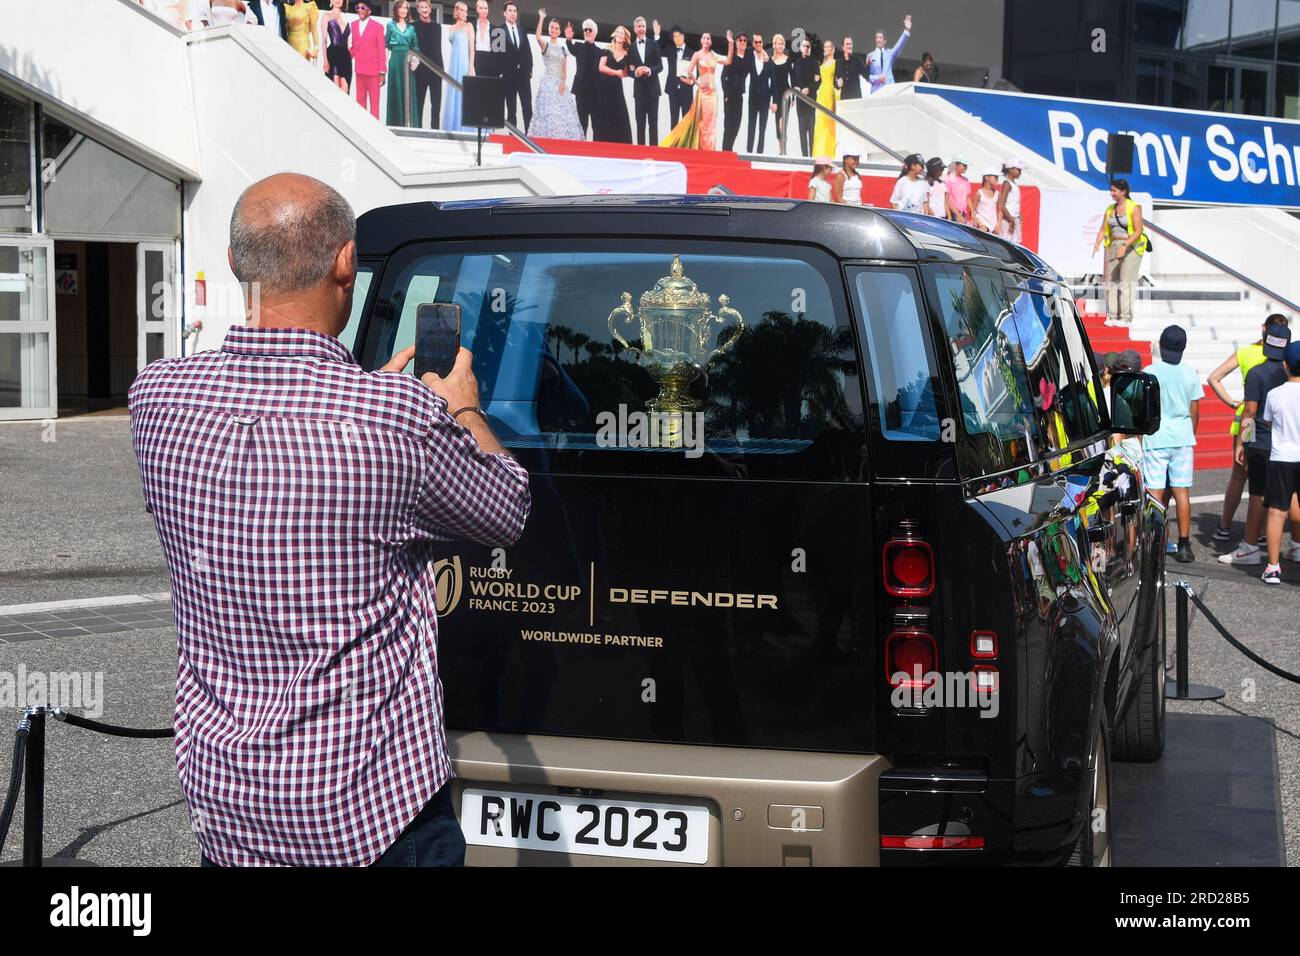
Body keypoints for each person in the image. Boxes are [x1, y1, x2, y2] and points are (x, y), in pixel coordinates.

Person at [128, 173, 531, 867]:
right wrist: (459, 406)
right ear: (346, 263)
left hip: (230, 809)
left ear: (236, 265)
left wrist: (374, 402)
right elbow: (505, 508)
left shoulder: (157, 397)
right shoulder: (397, 420)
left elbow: (280, 455)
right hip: (372, 816)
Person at [1209, 314, 1293, 543]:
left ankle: (1225, 526)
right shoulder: (1288, 360)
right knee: (1271, 482)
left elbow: (1214, 377)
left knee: (1240, 477)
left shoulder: (1246, 353)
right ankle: (1264, 533)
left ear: (1264, 329)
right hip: (1278, 427)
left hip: (1247, 422)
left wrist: (1232, 402)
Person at [1221, 323, 1299, 568]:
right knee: (1293, 496)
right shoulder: (1289, 376)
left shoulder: (1256, 373)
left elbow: (1250, 412)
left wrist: (1242, 442)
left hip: (1263, 442)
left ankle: (1250, 545)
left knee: (1258, 495)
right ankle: (1296, 545)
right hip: (1290, 445)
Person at [1143, 325, 1200, 564]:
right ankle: (1185, 544)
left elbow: (1145, 408)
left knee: (1155, 491)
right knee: (1181, 491)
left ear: (1161, 345)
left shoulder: (1149, 371)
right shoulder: (1190, 373)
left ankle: (1154, 542)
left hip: (1156, 436)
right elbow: (1194, 410)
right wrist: (1189, 432)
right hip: (1182, 436)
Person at [1260, 342, 1300, 583]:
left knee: (1277, 511)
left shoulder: (1274, 394)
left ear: (1285, 366)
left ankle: (1273, 566)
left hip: (1282, 456)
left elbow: (1269, 423)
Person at [660, 31, 732, 150]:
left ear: (710, 42)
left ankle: (710, 149)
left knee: (711, 121)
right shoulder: (697, 55)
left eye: (708, 38)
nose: (706, 40)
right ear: (701, 40)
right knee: (702, 121)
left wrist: (730, 43)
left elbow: (728, 61)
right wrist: (697, 83)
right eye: (704, 38)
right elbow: (689, 70)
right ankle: (700, 148)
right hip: (703, 93)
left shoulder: (713, 55)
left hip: (713, 92)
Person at [1091, 178, 1148, 328]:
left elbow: (1138, 231)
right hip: (1112, 246)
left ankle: (1126, 316)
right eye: (1111, 190)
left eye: (1114, 190)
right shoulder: (1110, 208)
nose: (1112, 193)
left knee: (1125, 280)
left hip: (1131, 246)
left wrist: (1125, 245)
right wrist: (1097, 243)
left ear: (1124, 191)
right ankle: (1112, 314)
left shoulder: (1134, 207)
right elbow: (1103, 228)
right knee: (1110, 280)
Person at [529, 10, 583, 140]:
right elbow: (537, 37)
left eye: (556, 28)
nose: (553, 30)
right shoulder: (545, 45)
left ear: (559, 32)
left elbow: (564, 71)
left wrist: (563, 83)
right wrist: (541, 18)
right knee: (548, 113)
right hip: (547, 84)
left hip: (560, 84)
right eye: (552, 28)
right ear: (549, 29)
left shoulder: (563, 49)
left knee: (562, 115)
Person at [595, 25, 634, 144]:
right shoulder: (607, 49)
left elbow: (627, 72)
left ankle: (621, 145)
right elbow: (601, 67)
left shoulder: (628, 54)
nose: (619, 34)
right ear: (614, 34)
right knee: (604, 114)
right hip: (604, 86)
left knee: (619, 114)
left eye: (622, 33)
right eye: (617, 32)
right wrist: (616, 72)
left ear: (625, 37)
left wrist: (627, 73)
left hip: (617, 88)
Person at [628, 16, 663, 146]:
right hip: (639, 92)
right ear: (634, 29)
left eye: (643, 26)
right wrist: (636, 73)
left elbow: (660, 66)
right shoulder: (631, 48)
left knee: (653, 123)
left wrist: (649, 70)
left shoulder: (653, 44)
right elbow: (629, 69)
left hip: (653, 91)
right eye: (639, 26)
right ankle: (640, 152)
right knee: (640, 123)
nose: (641, 28)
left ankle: (654, 152)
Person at [567, 19, 605, 138]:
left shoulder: (600, 52)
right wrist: (568, 39)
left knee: (597, 125)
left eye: (590, 30)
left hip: (596, 92)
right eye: (585, 30)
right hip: (581, 91)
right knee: (581, 123)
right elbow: (571, 49)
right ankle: (580, 150)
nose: (587, 32)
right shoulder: (578, 46)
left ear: (595, 33)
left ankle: (597, 151)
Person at [385, 0, 420, 128]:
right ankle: (395, 124)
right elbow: (386, 45)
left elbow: (416, 46)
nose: (403, 10)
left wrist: (415, 60)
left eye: (405, 8)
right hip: (394, 60)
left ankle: (409, 124)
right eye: (401, 7)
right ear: (396, 9)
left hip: (407, 60)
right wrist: (384, 65)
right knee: (396, 90)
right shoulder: (390, 26)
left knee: (407, 90)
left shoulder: (411, 28)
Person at [498, 2, 532, 131]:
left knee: (527, 107)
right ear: (505, 13)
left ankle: (530, 136)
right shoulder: (499, 30)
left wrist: (530, 69)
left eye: (515, 11)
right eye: (510, 10)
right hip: (508, 75)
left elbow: (528, 51)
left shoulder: (522, 30)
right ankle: (513, 136)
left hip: (523, 74)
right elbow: (497, 54)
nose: (513, 13)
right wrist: (501, 73)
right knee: (511, 108)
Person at [442, 1, 475, 131]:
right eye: (462, 10)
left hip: (465, 65)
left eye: (466, 11)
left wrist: (470, 69)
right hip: (454, 66)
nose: (464, 13)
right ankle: (454, 128)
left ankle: (467, 128)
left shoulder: (469, 26)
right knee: (454, 94)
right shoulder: (451, 29)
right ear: (456, 11)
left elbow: (472, 50)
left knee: (466, 96)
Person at [655, 22, 696, 130]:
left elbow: (699, 70)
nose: (677, 38)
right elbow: (656, 50)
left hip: (686, 88)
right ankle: (673, 146)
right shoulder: (670, 49)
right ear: (673, 39)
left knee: (686, 121)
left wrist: (693, 82)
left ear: (683, 36)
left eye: (679, 35)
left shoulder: (692, 52)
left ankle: (685, 146)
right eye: (674, 36)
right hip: (673, 88)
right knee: (674, 119)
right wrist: (657, 35)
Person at [350, 0, 386, 120]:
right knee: (360, 103)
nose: (360, 10)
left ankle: (375, 131)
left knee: (374, 105)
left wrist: (382, 72)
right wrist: (343, 57)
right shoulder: (353, 25)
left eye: (363, 8)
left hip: (373, 71)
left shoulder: (378, 27)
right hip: (359, 69)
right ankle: (362, 128)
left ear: (369, 10)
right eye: (357, 8)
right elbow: (354, 47)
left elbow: (382, 50)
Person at [411, 0, 443, 128]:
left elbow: (437, 49)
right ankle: (418, 129)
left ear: (430, 9)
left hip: (436, 69)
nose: (424, 9)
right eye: (422, 7)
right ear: (418, 9)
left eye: (426, 7)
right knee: (419, 102)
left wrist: (441, 70)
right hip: (420, 69)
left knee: (436, 105)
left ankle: (435, 130)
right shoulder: (413, 26)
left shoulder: (437, 27)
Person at [721, 33, 750, 152]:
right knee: (728, 124)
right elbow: (723, 77)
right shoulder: (731, 57)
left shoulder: (748, 58)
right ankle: (725, 150)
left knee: (737, 123)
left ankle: (729, 148)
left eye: (744, 40)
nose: (742, 42)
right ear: (736, 42)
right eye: (740, 40)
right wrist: (726, 94)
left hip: (739, 95)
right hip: (730, 95)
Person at [867, 15, 912, 93]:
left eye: (880, 38)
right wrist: (878, 78)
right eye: (877, 38)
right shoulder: (870, 56)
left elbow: (899, 45)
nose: (878, 40)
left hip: (889, 90)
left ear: (885, 41)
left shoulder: (889, 54)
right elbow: (866, 76)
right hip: (876, 91)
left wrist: (906, 30)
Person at [791, 37, 819, 158]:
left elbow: (818, 81)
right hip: (800, 100)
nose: (806, 48)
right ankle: (804, 156)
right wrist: (796, 88)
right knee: (802, 128)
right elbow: (793, 79)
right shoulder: (796, 63)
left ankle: (811, 156)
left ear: (810, 48)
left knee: (811, 129)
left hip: (811, 99)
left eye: (808, 46)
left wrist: (809, 89)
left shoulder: (814, 63)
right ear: (801, 48)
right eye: (804, 46)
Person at [746, 33, 774, 153]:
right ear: (752, 44)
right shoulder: (749, 56)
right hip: (753, 96)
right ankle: (749, 151)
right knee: (751, 125)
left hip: (765, 97)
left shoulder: (768, 59)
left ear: (762, 43)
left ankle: (759, 152)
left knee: (762, 127)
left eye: (760, 42)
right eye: (756, 42)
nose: (758, 44)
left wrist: (772, 99)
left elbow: (773, 79)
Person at [812, 40, 838, 159]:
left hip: (830, 91)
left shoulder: (835, 63)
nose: (827, 48)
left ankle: (829, 151)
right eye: (825, 46)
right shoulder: (821, 64)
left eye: (829, 47)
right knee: (820, 121)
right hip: (822, 92)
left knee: (829, 122)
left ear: (832, 49)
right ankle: (819, 151)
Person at [320, 0, 352, 95]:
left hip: (346, 58)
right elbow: (324, 40)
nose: (338, 0)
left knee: (345, 94)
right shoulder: (326, 16)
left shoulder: (346, 17)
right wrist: (325, 60)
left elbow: (348, 42)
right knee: (335, 93)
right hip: (333, 56)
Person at [769, 34, 792, 150]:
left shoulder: (788, 60)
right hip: (776, 96)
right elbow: (772, 83)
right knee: (777, 123)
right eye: (778, 43)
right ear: (774, 45)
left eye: (782, 43)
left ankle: (784, 147)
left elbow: (791, 80)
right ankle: (781, 149)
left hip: (786, 94)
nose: (781, 45)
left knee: (783, 122)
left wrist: (792, 98)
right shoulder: (771, 61)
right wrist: (772, 101)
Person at [997, 158, 1025, 243]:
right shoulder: (1007, 183)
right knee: (1007, 243)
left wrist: (1018, 216)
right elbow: (1001, 204)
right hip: (1008, 220)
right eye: (1018, 169)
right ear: (1010, 169)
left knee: (1016, 243)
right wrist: (1010, 219)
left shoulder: (1013, 184)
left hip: (1014, 218)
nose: (1020, 172)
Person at [835, 36, 869, 100]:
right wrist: (837, 83)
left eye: (850, 44)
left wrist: (868, 64)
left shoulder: (857, 60)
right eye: (847, 44)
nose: (849, 46)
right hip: (844, 97)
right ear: (843, 47)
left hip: (856, 96)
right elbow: (835, 79)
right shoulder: (838, 61)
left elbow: (866, 75)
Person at [945, 154, 972, 225]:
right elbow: (947, 199)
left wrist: (972, 212)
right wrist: (957, 214)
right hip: (953, 213)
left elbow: (967, 198)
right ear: (956, 165)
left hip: (963, 214)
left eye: (966, 166)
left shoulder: (966, 180)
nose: (966, 167)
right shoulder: (948, 179)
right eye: (964, 165)